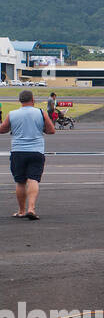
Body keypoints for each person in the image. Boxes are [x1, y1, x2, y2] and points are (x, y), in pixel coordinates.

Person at [1, 89, 57, 220]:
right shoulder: (40, 112)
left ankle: (21, 210)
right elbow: (51, 130)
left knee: (20, 182)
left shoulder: (12, 114)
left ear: (20, 100)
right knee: (33, 179)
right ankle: (31, 208)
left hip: (18, 151)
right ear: (33, 100)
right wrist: (40, 128)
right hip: (36, 151)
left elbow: (3, 129)